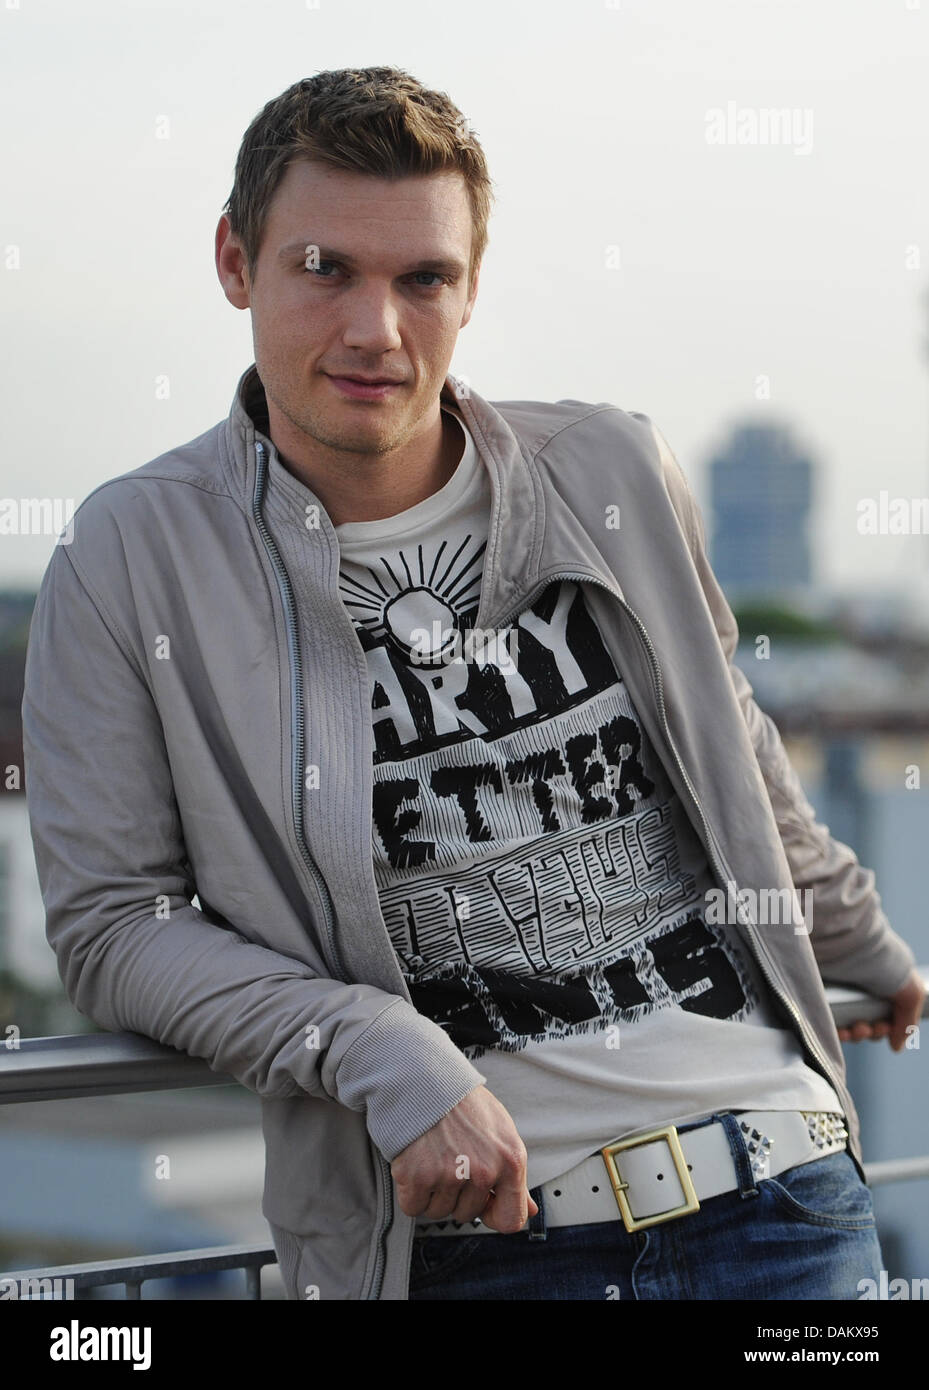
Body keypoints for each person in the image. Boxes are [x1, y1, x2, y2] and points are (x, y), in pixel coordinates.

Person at [22, 66, 925, 1302]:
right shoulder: (131, 555)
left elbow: (734, 753)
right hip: (472, 1248)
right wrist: (377, 1047)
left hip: (777, 1195)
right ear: (236, 262)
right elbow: (116, 922)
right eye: (324, 268)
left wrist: (861, 941)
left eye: (422, 279)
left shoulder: (607, 463)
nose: (375, 331)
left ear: (470, 287)